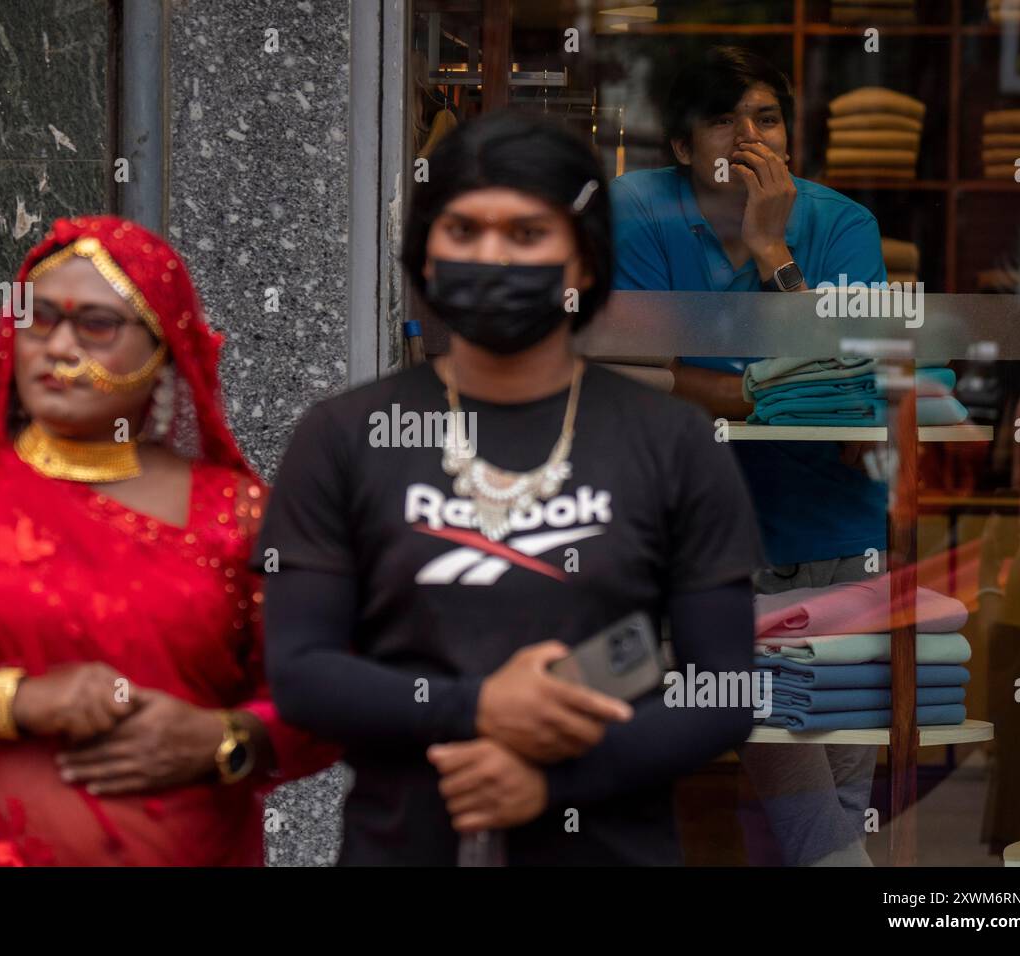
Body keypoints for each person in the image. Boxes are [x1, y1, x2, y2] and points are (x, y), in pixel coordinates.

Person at [259, 110, 763, 866]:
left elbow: (723, 693)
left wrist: (554, 782)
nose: (491, 256)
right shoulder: (344, 437)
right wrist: (479, 705)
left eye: (527, 234)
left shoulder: (673, 442)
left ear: (584, 261)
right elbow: (300, 675)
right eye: (463, 231)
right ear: (425, 253)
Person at [0, 215, 334, 865]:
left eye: (96, 326)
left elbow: (323, 699)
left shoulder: (233, 514)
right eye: (39, 319)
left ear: (164, 347)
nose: (59, 348)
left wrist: (226, 739)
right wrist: (10, 702)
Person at [611, 46, 889, 865]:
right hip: (709, 545)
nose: (748, 138)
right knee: (795, 782)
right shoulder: (636, 212)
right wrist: (750, 392)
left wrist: (773, 252)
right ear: (680, 147)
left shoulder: (840, 225)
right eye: (723, 121)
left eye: (765, 119)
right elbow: (621, 365)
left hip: (835, 527)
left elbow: (845, 390)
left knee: (839, 783)